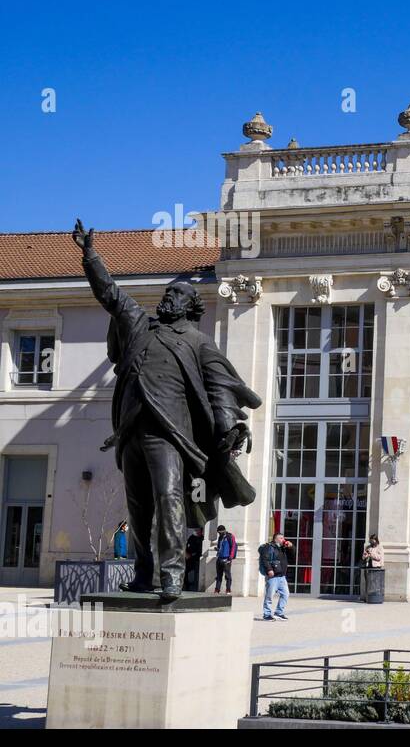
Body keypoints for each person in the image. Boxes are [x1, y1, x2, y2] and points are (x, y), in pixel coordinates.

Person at [72, 220, 262, 602]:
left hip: (169, 435)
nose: (167, 297)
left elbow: (220, 387)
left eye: (176, 294)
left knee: (169, 499)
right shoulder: (141, 327)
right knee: (139, 509)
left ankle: (173, 575)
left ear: (190, 306)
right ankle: (146, 574)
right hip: (131, 432)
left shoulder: (198, 342)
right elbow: (111, 295)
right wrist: (90, 256)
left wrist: (228, 427)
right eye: (167, 292)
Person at [258, 533, 294, 621]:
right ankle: (267, 614)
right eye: (281, 538)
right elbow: (264, 559)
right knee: (269, 596)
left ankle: (279, 613)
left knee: (285, 594)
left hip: (282, 576)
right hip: (273, 576)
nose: (283, 539)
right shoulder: (268, 547)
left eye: (283, 538)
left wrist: (291, 547)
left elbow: (292, 556)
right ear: (276, 539)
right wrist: (269, 569)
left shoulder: (283, 548)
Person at [212, 525, 237, 594]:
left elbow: (233, 547)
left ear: (224, 530)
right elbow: (220, 547)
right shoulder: (220, 537)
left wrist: (230, 557)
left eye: (220, 532)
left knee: (227, 576)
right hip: (219, 558)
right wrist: (217, 550)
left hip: (227, 559)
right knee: (218, 576)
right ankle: (217, 590)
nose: (219, 534)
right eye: (218, 532)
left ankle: (228, 590)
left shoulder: (230, 536)